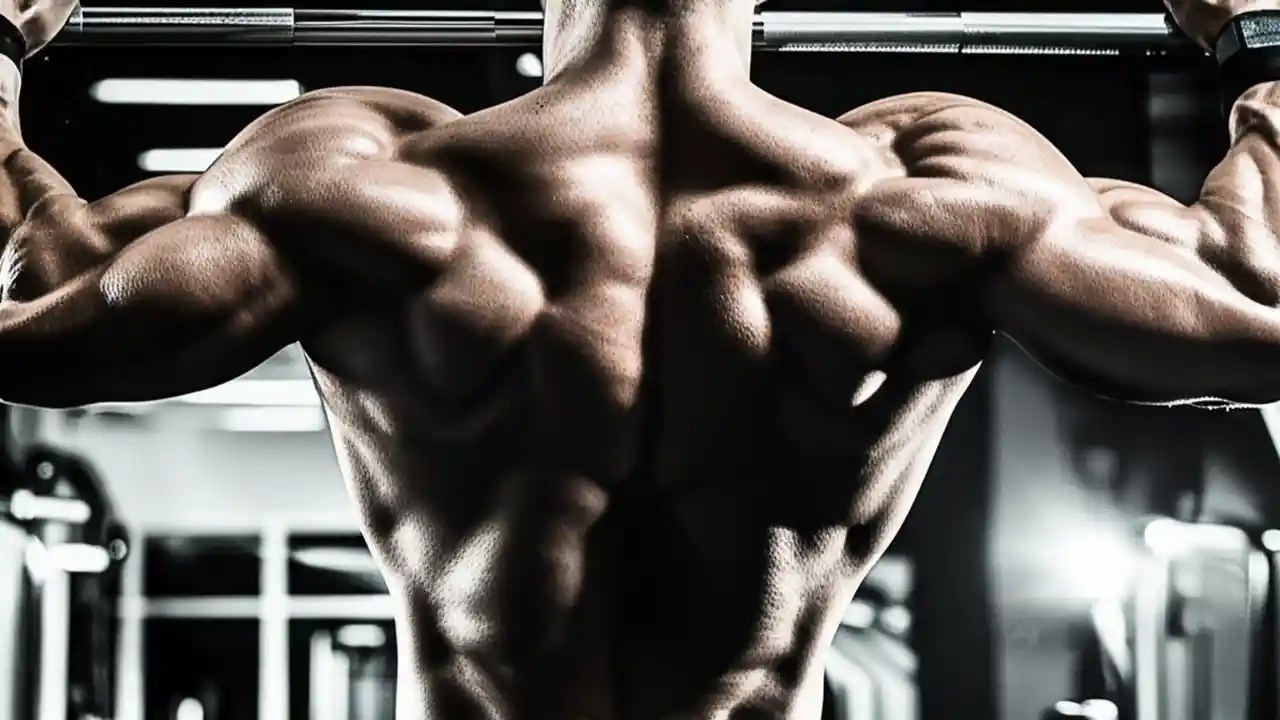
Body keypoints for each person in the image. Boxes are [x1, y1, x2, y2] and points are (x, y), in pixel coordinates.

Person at [0, 0, 1276, 716]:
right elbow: (1248, 304)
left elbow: (39, 313)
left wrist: (2, 55)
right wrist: (1257, 43)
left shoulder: (367, 184)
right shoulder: (911, 192)